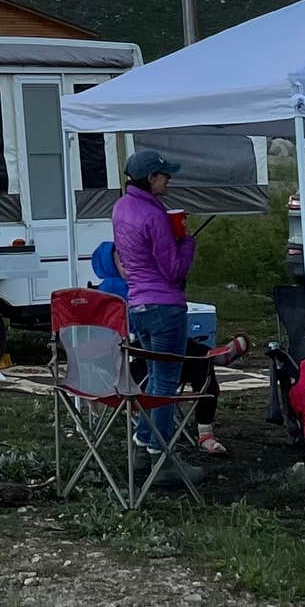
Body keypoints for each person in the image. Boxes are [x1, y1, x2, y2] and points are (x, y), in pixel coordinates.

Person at [90, 237, 246, 456]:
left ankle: (209, 360)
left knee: (187, 356)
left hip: (115, 375)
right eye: (119, 258)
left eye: (127, 255)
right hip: (136, 374)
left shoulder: (98, 294)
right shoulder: (120, 290)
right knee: (194, 360)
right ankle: (202, 433)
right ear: (108, 264)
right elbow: (139, 330)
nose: (126, 261)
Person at [111, 148, 199, 453]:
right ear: (151, 177)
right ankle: (159, 452)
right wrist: (186, 241)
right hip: (164, 306)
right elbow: (174, 270)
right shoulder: (154, 215)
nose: (169, 180)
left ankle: (143, 438)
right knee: (166, 381)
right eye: (165, 175)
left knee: (154, 375)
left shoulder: (121, 207)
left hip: (138, 304)